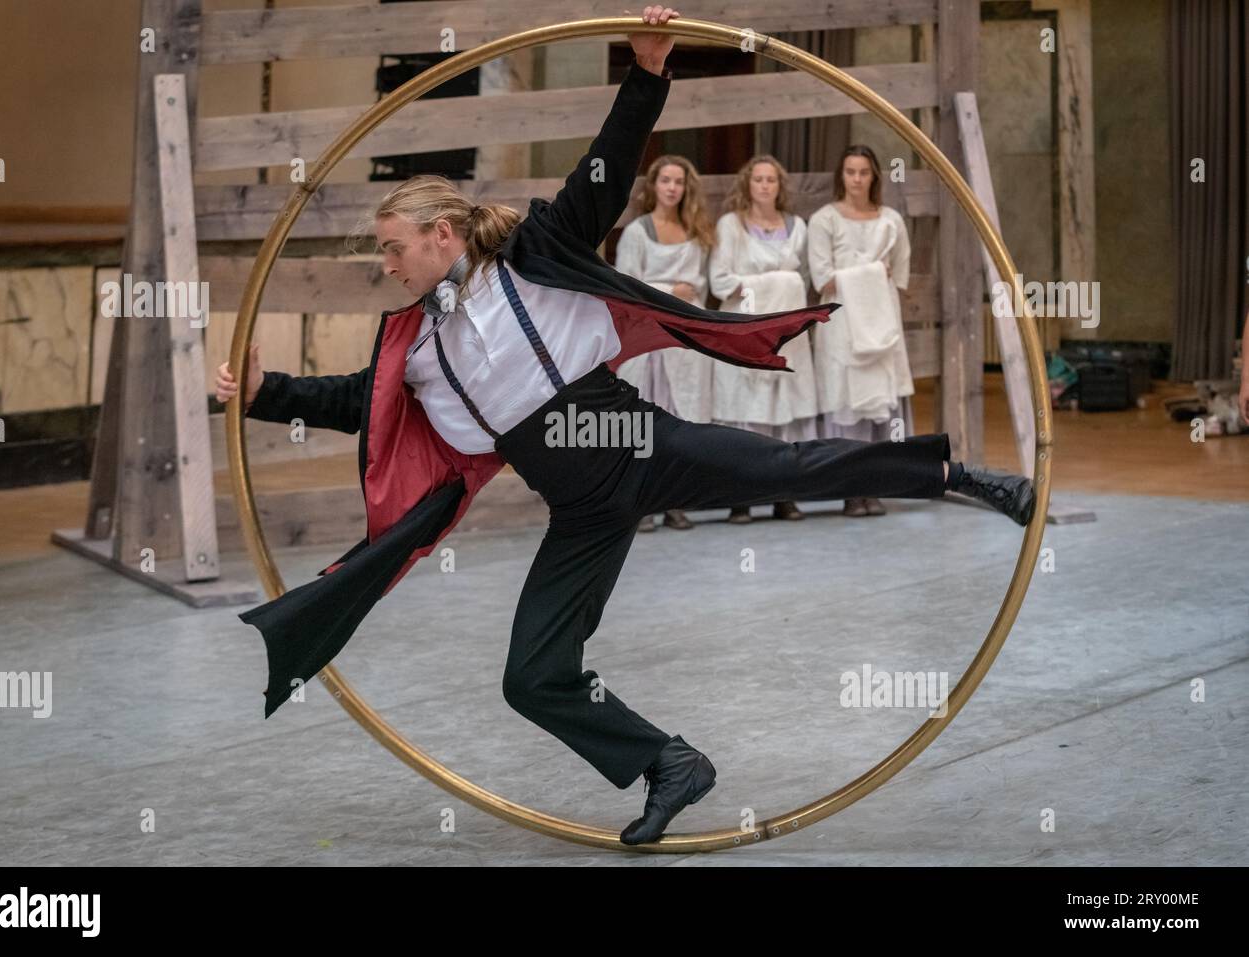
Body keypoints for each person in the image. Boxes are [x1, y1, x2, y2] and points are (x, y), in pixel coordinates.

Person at [216, 5, 1034, 847]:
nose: (384, 265)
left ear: (441, 234)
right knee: (533, 677)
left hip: (641, 446)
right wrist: (262, 391)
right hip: (581, 512)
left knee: (791, 465)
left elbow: (603, 174)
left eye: (392, 246)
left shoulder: (532, 256)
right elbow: (356, 399)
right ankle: (670, 762)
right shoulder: (417, 346)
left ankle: (955, 477)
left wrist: (647, 71)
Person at [708, 155, 820, 523]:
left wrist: (781, 288)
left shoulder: (797, 227)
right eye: (758, 179)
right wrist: (770, 282)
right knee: (745, 417)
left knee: (782, 418)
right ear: (747, 183)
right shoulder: (730, 225)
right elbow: (720, 279)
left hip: (786, 334)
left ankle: (783, 495)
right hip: (746, 328)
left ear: (779, 185)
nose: (765, 186)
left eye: (771, 179)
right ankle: (740, 498)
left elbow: (802, 278)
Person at [808, 145, 916, 518]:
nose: (856, 179)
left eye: (864, 172)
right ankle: (849, 489)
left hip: (881, 321)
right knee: (847, 406)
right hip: (841, 325)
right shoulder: (825, 219)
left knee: (878, 410)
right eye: (850, 172)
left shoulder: (891, 220)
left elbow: (898, 275)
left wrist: (876, 280)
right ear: (842, 176)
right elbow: (822, 278)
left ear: (874, 177)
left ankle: (876, 485)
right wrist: (870, 273)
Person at [613, 154, 717, 532]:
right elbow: (625, 286)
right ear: (654, 186)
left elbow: (701, 283)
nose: (673, 188)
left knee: (681, 422)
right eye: (666, 180)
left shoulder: (697, 230)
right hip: (649, 337)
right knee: (645, 421)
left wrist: (688, 298)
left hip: (685, 338)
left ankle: (674, 500)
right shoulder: (638, 232)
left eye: (679, 181)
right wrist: (670, 290)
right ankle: (638, 502)